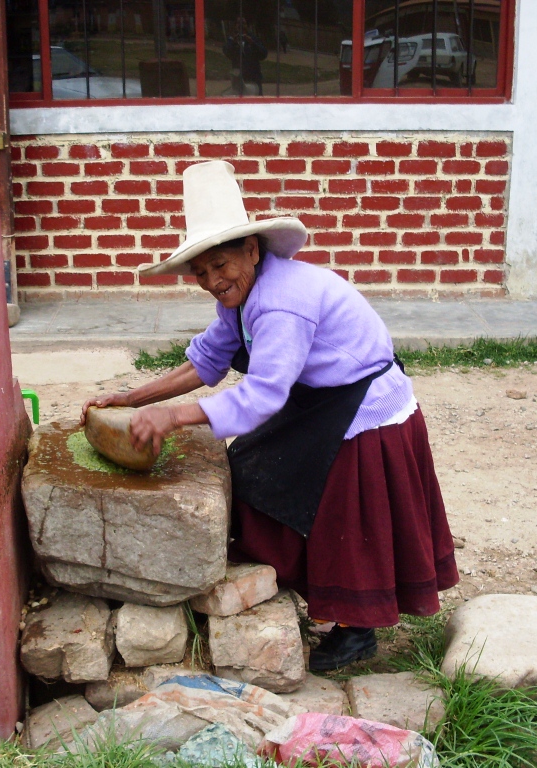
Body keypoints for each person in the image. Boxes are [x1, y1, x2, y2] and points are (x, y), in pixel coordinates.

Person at [81, 161, 459, 671]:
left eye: (222, 265)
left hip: (363, 409)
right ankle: (282, 584)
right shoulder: (240, 298)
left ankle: (355, 628)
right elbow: (206, 361)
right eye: (201, 272)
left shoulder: (282, 302)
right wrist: (132, 398)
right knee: (256, 470)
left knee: (343, 514)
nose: (214, 280)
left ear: (252, 250)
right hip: (319, 401)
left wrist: (172, 418)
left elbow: (262, 396)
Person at [222, 18, 267, 96]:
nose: (241, 25)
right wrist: (234, 42)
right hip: (239, 79)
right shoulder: (232, 39)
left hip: (254, 78)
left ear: (247, 25)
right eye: (239, 23)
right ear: (235, 26)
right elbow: (227, 52)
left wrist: (252, 43)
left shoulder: (254, 39)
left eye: (243, 23)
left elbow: (263, 54)